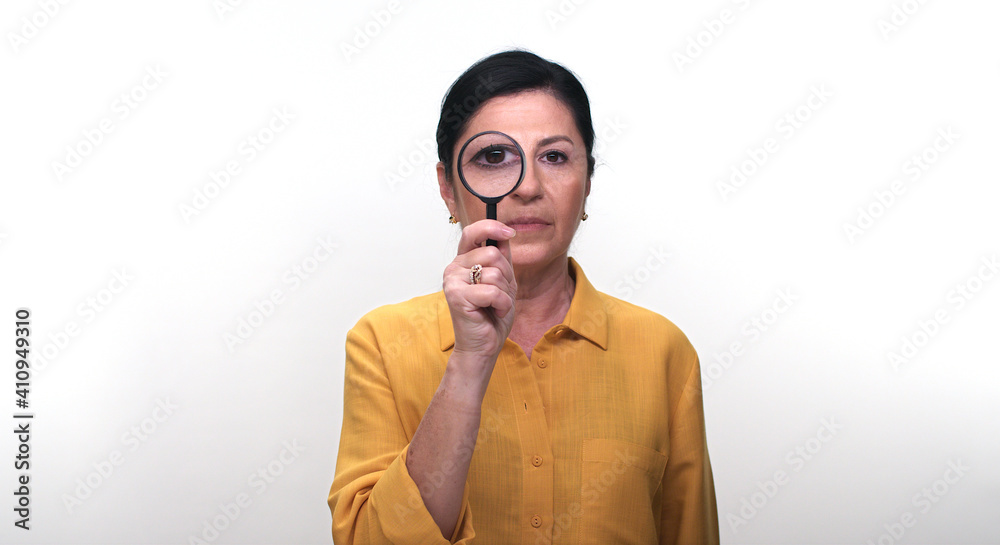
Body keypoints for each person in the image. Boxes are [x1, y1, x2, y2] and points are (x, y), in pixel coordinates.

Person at [328, 49, 720, 544]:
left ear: (588, 182)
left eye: (555, 157)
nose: (529, 187)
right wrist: (469, 362)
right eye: (493, 157)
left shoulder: (664, 351)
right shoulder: (381, 343)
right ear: (449, 188)